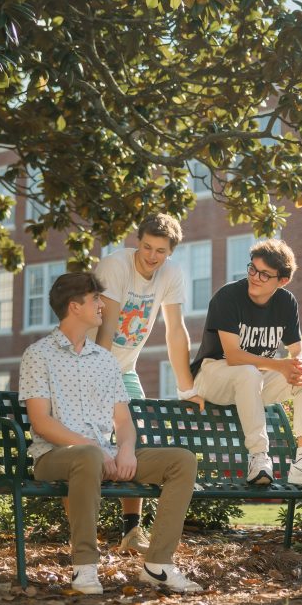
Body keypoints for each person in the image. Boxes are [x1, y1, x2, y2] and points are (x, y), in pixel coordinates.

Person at [18, 272, 203, 594]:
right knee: (88, 455)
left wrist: (126, 450)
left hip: (104, 455)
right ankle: (84, 568)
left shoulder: (105, 360)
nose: (102, 305)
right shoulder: (39, 354)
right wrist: (94, 448)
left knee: (181, 460)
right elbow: (41, 422)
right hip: (53, 457)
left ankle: (158, 565)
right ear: (74, 306)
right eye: (95, 299)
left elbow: (124, 421)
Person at [188, 239, 302, 486]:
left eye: (265, 275)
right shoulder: (228, 297)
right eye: (252, 269)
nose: (255, 277)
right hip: (213, 376)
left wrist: (297, 365)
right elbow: (233, 356)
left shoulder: (286, 302)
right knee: (248, 372)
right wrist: (280, 366)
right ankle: (259, 457)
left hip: (252, 383)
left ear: (282, 281)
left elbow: (298, 350)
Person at [94, 214, 202, 553]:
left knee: (136, 441)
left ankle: (131, 532)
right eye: (146, 247)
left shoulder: (171, 275)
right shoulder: (115, 266)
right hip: (91, 364)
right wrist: (98, 381)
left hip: (125, 368)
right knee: (89, 442)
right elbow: (106, 328)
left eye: (161, 251)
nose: (152, 256)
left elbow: (175, 331)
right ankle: (82, 538)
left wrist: (187, 388)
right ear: (137, 241)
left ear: (171, 251)